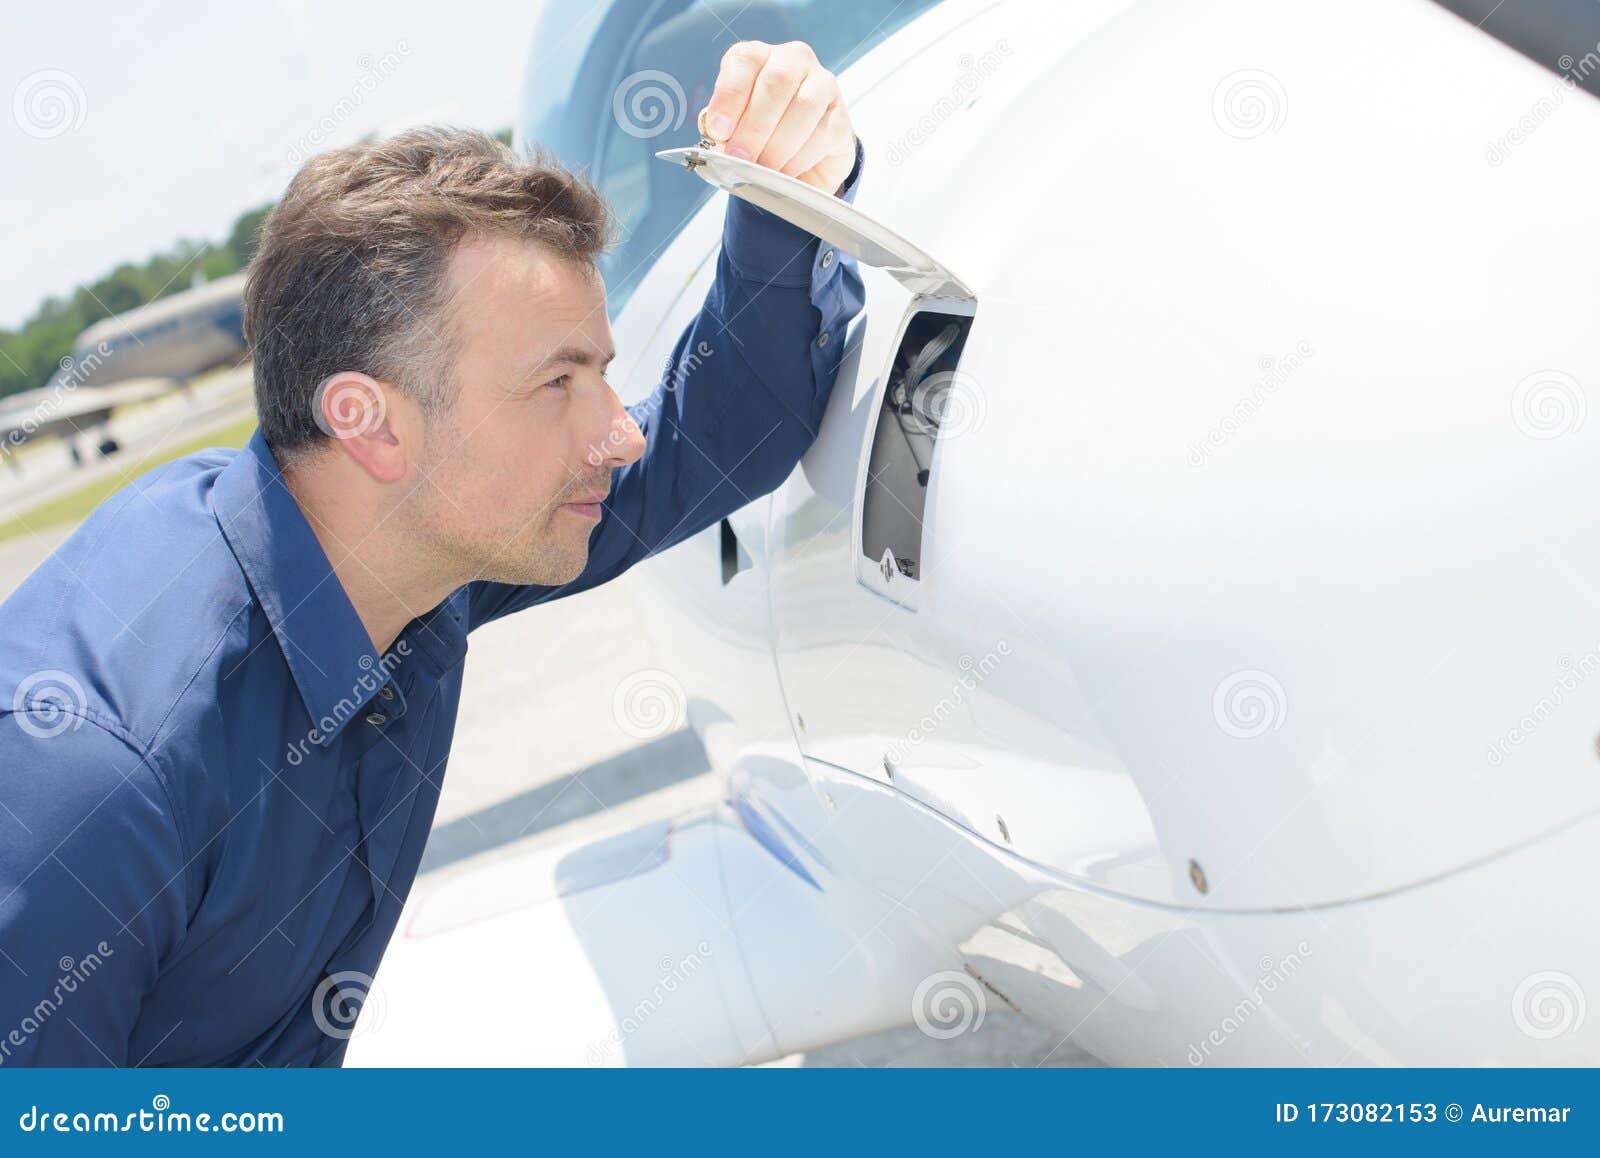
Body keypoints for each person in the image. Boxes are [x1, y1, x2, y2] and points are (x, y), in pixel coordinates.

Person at [0, 40, 864, 1066]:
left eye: (603, 377)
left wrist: (783, 187)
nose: (618, 432)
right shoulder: (92, 775)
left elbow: (716, 436)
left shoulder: (405, 544)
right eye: (557, 384)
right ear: (371, 424)